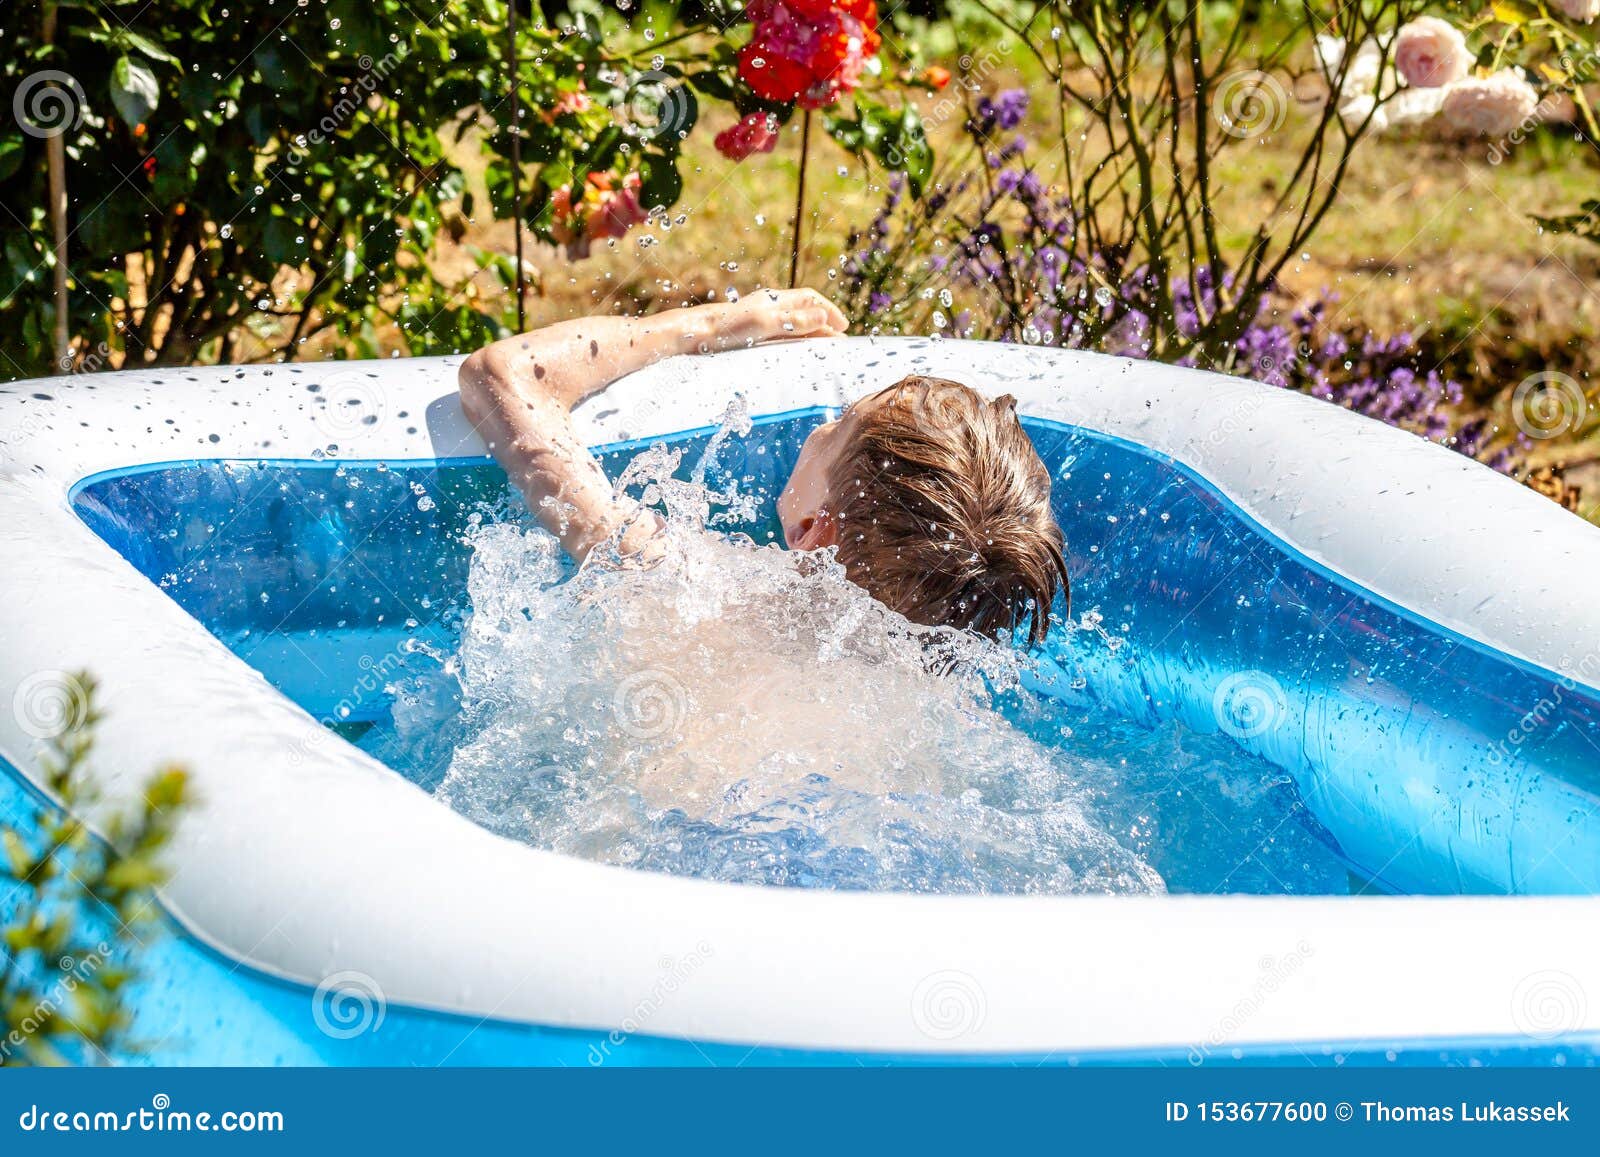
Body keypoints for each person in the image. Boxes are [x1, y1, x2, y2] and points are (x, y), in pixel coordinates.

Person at [457, 289, 1069, 645]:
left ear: (814, 531)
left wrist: (707, 323)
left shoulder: (689, 587)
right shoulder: (945, 699)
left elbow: (505, 378)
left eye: (839, 425)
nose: (818, 427)